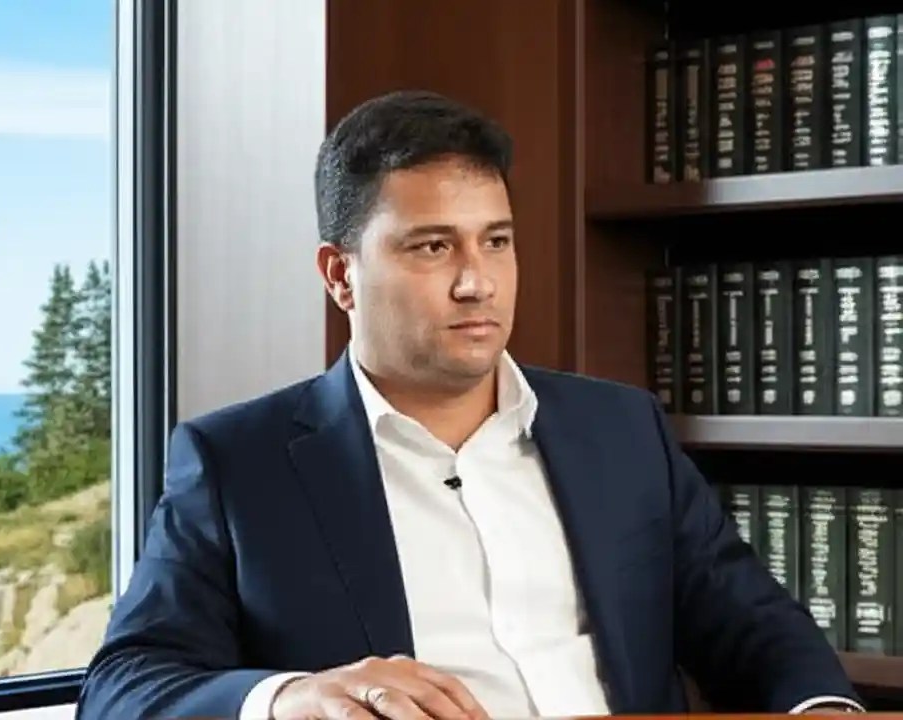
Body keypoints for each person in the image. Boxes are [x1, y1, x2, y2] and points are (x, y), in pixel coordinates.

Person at [75, 90, 863, 720]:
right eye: (432, 246)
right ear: (340, 275)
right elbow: (124, 689)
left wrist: (820, 706)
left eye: (496, 241)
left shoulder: (620, 430)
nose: (476, 281)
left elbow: (752, 625)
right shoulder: (235, 463)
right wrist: (288, 698)